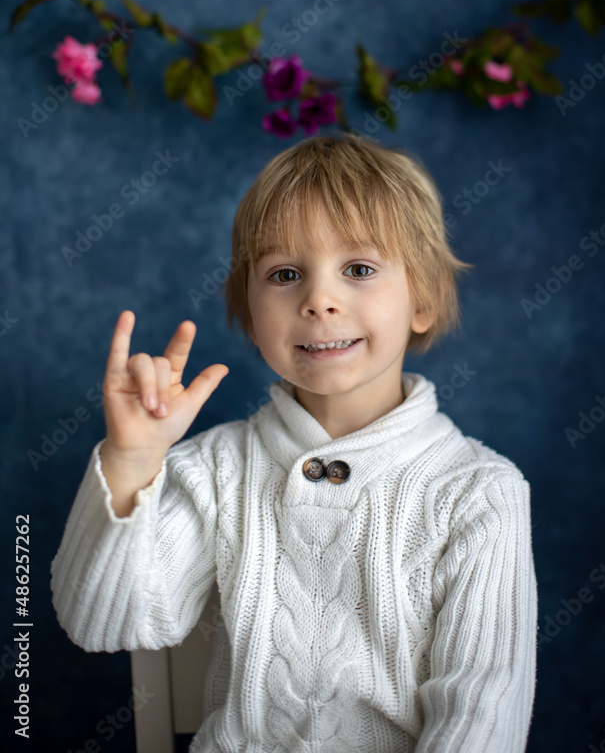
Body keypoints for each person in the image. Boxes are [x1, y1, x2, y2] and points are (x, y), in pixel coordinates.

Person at [51, 132, 538, 753]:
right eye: (284, 274)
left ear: (423, 299)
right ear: (253, 319)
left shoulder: (479, 493)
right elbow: (103, 622)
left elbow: (481, 719)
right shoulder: (216, 470)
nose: (319, 300)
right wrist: (133, 460)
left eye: (359, 269)